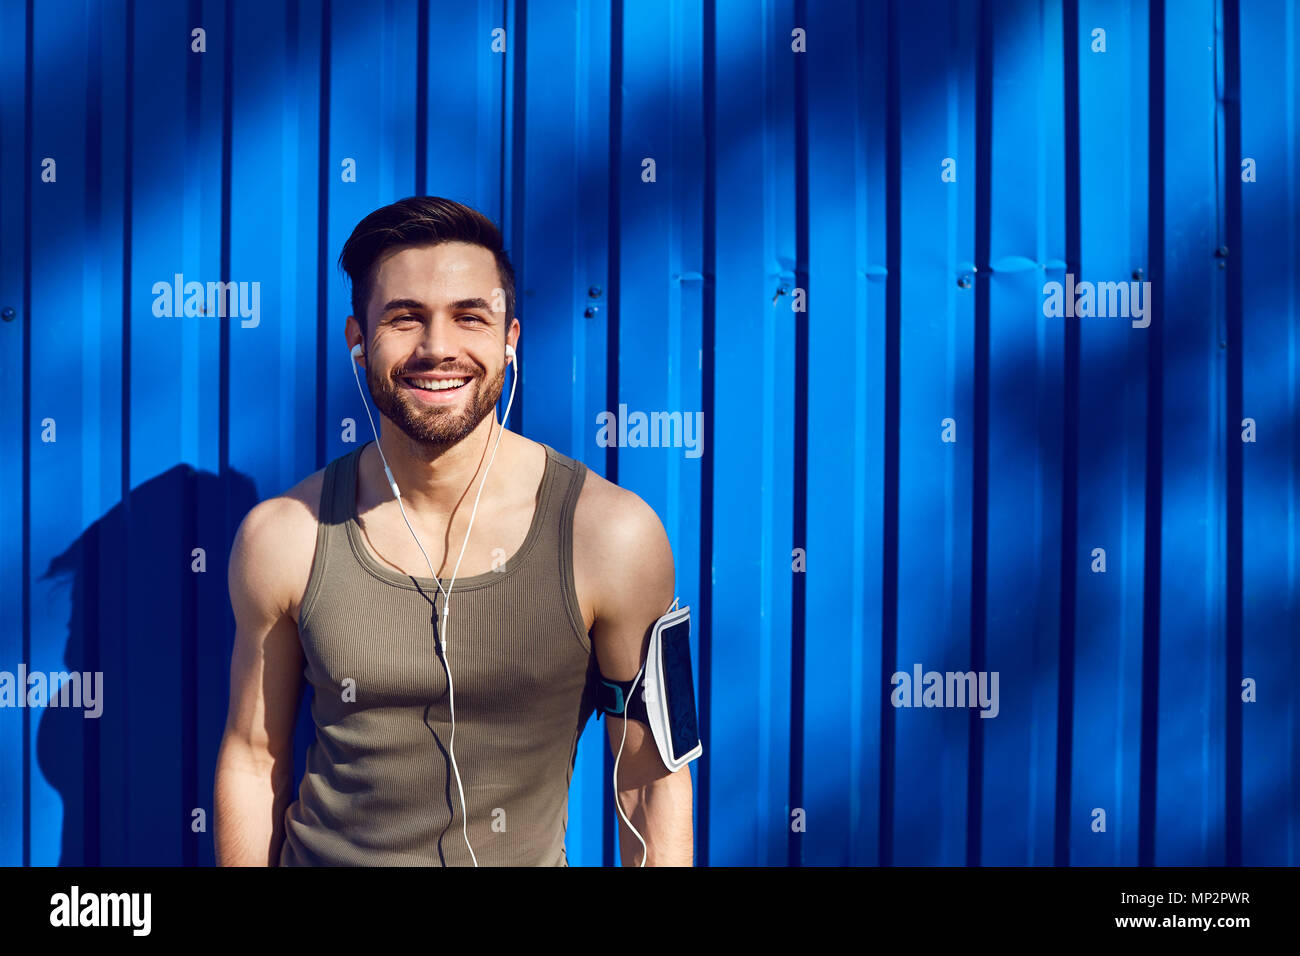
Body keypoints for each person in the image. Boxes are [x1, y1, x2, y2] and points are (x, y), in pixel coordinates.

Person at [213, 196, 692, 866]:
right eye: (404, 319)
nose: (438, 348)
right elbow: (252, 756)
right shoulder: (284, 536)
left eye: (470, 317)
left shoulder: (611, 535)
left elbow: (651, 779)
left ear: (510, 338)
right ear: (358, 338)